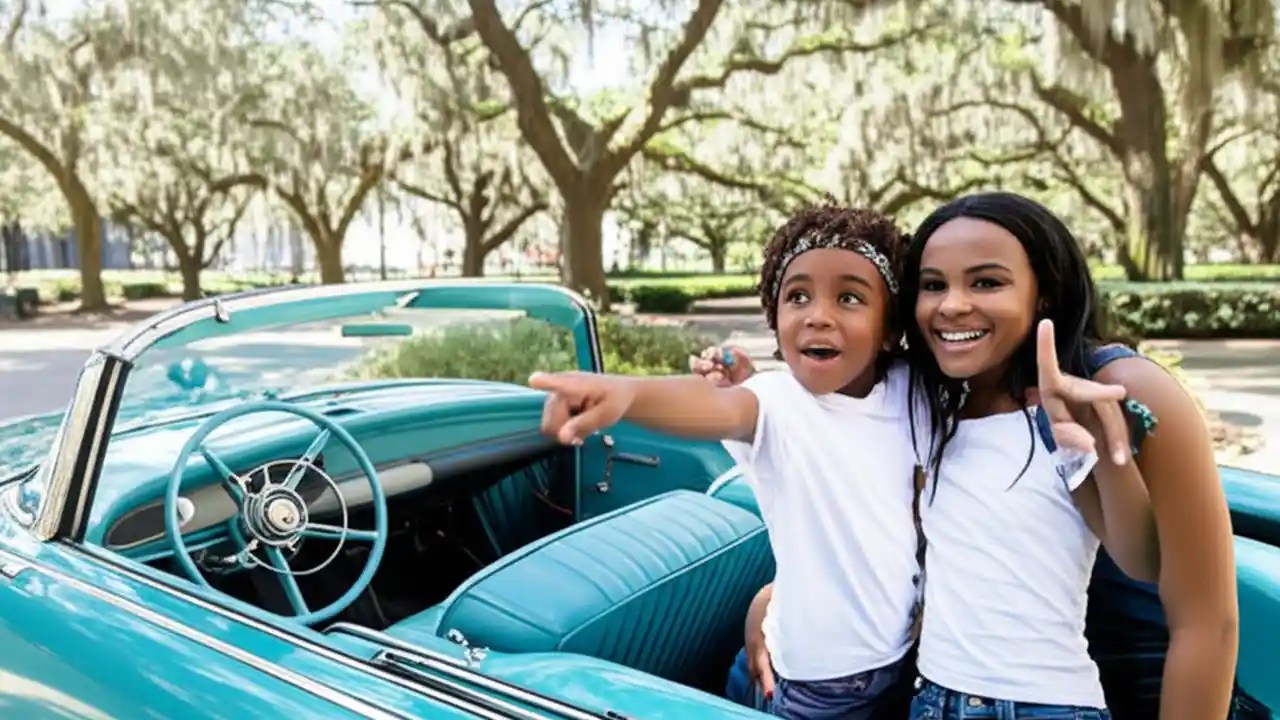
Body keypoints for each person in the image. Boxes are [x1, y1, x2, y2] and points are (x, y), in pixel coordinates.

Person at [701, 192, 1231, 719]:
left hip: (1071, 692)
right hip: (929, 693)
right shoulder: (937, 394)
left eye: (986, 282)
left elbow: (1204, 619)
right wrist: (774, 599)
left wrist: (1103, 453)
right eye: (933, 285)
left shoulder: (1116, 386)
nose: (953, 304)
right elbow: (917, 537)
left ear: (1044, 292)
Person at [532, 203, 922, 719]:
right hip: (815, 684)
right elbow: (717, 406)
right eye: (797, 296)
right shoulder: (777, 401)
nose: (817, 314)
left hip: (905, 659)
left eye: (849, 297)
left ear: (890, 325)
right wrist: (628, 393)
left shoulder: (910, 390)